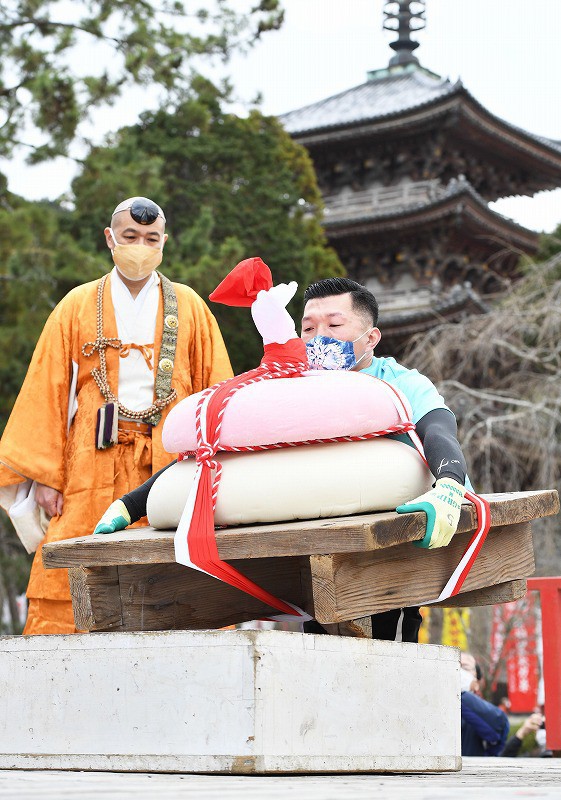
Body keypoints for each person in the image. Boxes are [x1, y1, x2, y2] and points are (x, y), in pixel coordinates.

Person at [95, 275, 470, 644]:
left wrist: (450, 485)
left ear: (370, 337)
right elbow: (223, 454)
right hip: (313, 544)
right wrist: (132, 504)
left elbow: (437, 430)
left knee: (390, 639)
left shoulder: (398, 383)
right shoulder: (291, 389)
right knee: (322, 639)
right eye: (308, 328)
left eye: (335, 324)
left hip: (386, 548)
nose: (319, 337)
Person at [0, 196, 232, 635]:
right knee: (72, 565)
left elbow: (215, 392)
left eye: (150, 238)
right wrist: (46, 477)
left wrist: (211, 471)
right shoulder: (76, 304)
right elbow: (46, 389)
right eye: (130, 237)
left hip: (169, 464)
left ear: (165, 241)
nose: (140, 246)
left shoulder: (192, 307)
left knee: (175, 571)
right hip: (89, 461)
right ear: (110, 239)